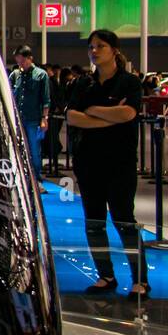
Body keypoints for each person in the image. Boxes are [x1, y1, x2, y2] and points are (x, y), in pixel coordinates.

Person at [67, 29, 148, 298]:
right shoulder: (84, 84)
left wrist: (93, 111)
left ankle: (140, 280)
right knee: (94, 222)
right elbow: (72, 117)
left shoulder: (129, 83)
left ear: (114, 50)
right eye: (91, 46)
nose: (94, 50)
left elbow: (128, 113)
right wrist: (108, 117)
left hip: (120, 162)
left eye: (100, 46)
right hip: (88, 162)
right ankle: (106, 275)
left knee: (124, 219)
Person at [8, 45, 50, 188]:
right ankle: (20, 179)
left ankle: (36, 180)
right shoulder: (15, 75)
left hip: (33, 120)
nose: (21, 64)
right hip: (17, 120)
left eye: (23, 61)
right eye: (18, 61)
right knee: (17, 150)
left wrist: (44, 118)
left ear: (30, 58)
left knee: (34, 151)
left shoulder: (41, 75)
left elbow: (45, 99)